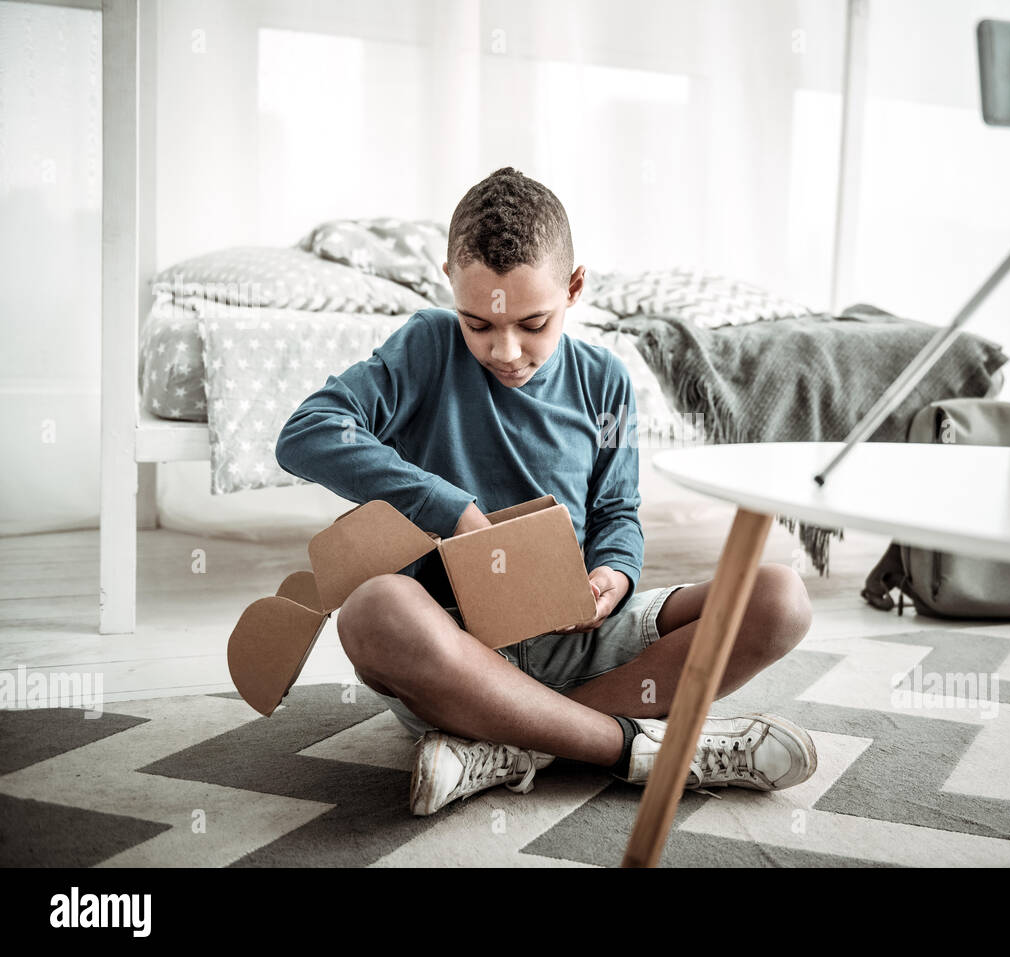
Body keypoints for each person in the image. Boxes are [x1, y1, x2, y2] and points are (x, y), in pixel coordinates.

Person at [276, 167, 817, 816]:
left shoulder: (605, 380)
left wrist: (613, 574)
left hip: (580, 638)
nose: (505, 349)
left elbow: (617, 511)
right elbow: (308, 432)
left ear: (576, 287)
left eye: (533, 323)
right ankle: (630, 747)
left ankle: (513, 747)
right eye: (478, 324)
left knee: (780, 598)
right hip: (457, 658)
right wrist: (451, 510)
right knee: (372, 611)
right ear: (449, 280)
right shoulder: (425, 346)